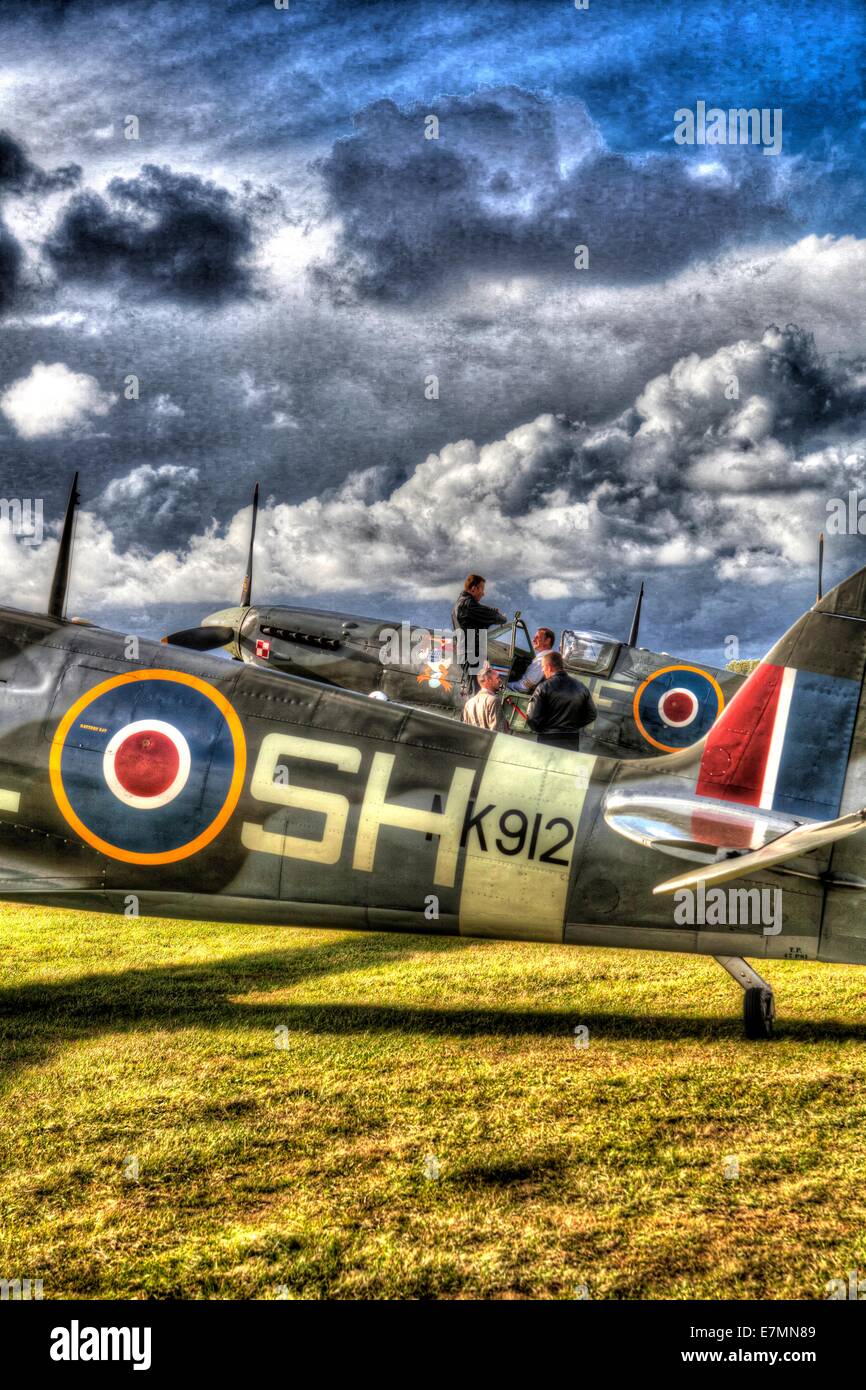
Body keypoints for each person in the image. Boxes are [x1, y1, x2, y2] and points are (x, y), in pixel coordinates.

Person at [526, 651, 596, 752]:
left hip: (548, 741)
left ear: (549, 667)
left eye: (543, 667)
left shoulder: (543, 687)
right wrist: (573, 727)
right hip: (572, 741)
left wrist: (542, 730)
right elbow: (592, 714)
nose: (542, 670)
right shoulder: (581, 686)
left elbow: (532, 718)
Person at [451, 573, 507, 695]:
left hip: (468, 654)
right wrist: (499, 616)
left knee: (475, 689)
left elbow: (477, 622)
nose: (483, 593)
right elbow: (499, 618)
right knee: (476, 692)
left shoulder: (461, 604)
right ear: (474, 588)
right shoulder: (468, 604)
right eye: (482, 589)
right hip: (472, 655)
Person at [461, 663, 511, 734]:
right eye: (497, 678)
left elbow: (465, 730)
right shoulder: (493, 700)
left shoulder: (469, 703)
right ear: (489, 681)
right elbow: (499, 733)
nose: (500, 680)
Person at [508, 626, 558, 693]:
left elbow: (523, 687)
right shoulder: (544, 657)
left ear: (547, 641)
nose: (533, 640)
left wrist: (507, 684)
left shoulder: (542, 661)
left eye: (537, 637)